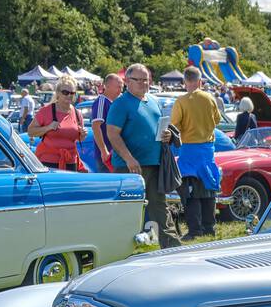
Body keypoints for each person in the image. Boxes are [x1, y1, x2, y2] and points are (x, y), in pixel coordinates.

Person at [108, 63, 181, 248]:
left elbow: (159, 129)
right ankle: (118, 249)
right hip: (129, 168)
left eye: (146, 80)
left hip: (155, 165)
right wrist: (129, 158)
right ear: (127, 81)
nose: (143, 83)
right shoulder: (120, 103)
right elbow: (112, 134)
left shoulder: (153, 101)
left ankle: (172, 248)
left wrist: (168, 135)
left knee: (160, 207)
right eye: (138, 80)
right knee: (126, 211)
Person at [169, 66, 222, 239]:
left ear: (185, 82)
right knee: (208, 190)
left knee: (190, 192)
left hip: (189, 152)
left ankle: (195, 230)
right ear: (200, 81)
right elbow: (217, 121)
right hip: (207, 151)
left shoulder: (181, 101)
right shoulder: (210, 98)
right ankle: (209, 228)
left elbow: (174, 126)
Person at [29, 79, 87, 171]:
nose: (69, 95)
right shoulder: (46, 111)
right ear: (58, 93)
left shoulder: (77, 113)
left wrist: (82, 135)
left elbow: (78, 139)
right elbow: (30, 132)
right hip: (48, 161)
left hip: (71, 161)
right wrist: (48, 127)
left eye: (72, 93)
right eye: (65, 92)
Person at [85, 73, 121, 172]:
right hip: (107, 155)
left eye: (121, 87)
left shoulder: (113, 102)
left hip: (115, 154)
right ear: (107, 86)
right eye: (118, 87)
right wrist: (103, 150)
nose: (120, 90)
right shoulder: (101, 101)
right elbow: (96, 126)